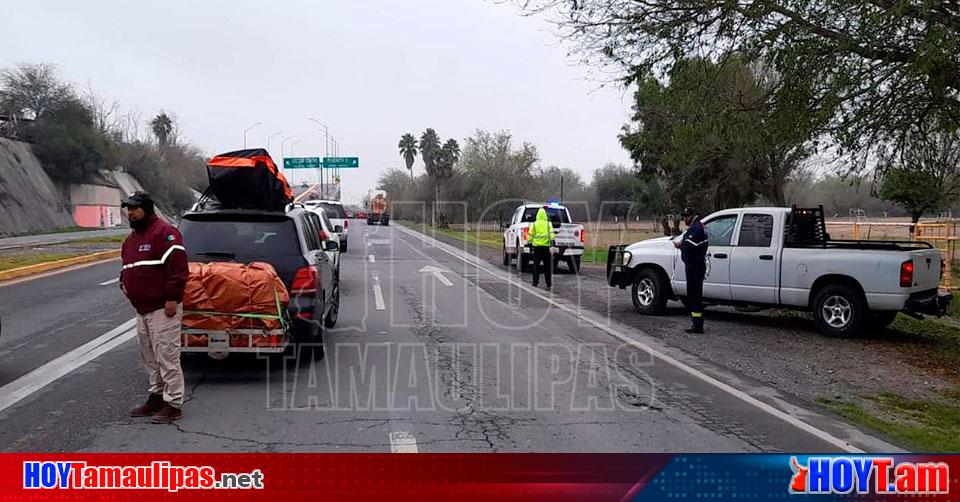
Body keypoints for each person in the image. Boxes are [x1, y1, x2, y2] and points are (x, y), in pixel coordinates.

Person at [119, 192, 189, 423]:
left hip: (163, 308)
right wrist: (123, 283)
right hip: (142, 309)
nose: (130, 213)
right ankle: (157, 396)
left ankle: (173, 403)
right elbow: (127, 268)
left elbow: (178, 269)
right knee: (149, 357)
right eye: (128, 209)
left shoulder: (165, 233)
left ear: (147, 209)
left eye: (135, 208)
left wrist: (172, 299)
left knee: (167, 356)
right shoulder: (130, 241)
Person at [674, 207, 708, 334]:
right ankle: (696, 322)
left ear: (692, 215)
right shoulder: (698, 227)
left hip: (695, 266)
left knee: (694, 296)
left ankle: (697, 325)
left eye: (686, 216)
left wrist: (680, 245)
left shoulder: (696, 228)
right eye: (684, 216)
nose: (685, 219)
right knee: (694, 295)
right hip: (695, 265)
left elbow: (690, 245)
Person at [529, 207, 556, 289]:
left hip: (536, 248)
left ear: (537, 215)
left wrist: (530, 244)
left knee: (536, 266)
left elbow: (530, 236)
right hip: (546, 248)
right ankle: (548, 284)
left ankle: (535, 282)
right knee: (547, 267)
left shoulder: (534, 224)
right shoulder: (548, 224)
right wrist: (552, 245)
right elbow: (552, 236)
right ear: (545, 215)